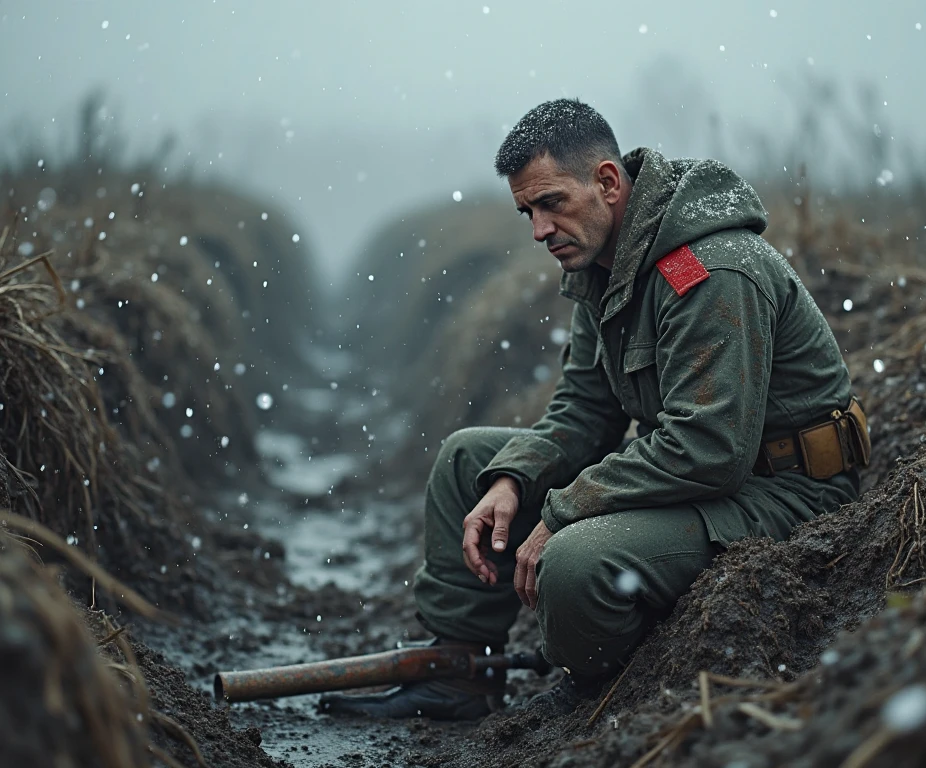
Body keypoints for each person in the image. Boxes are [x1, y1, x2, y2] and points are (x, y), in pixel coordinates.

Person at [322, 98, 869, 720]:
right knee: (469, 460)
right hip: (707, 477)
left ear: (608, 182)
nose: (538, 230)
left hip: (787, 494)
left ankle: (600, 691)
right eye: (526, 210)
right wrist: (515, 478)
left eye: (552, 202)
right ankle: (459, 674)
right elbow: (585, 410)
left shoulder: (710, 271)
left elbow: (710, 448)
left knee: (576, 562)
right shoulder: (604, 264)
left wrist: (563, 510)